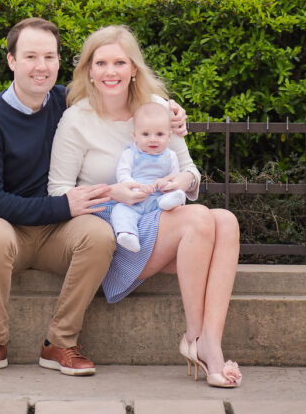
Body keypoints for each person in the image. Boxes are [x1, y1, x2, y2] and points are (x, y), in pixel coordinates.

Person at [0, 17, 188, 377]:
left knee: (99, 234)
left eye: (49, 57)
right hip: (4, 226)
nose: (41, 66)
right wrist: (62, 205)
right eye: (31, 56)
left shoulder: (64, 101)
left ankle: (59, 343)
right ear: (12, 61)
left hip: (55, 230)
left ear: (58, 62)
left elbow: (118, 93)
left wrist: (170, 110)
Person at [48, 25, 242, 388]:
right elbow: (58, 190)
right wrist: (114, 192)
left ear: (134, 68)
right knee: (199, 219)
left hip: (162, 217)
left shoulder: (158, 109)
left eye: (120, 62)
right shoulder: (77, 118)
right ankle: (195, 338)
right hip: (116, 229)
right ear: (88, 69)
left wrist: (184, 180)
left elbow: (189, 171)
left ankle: (209, 343)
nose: (110, 72)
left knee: (227, 221)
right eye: (101, 63)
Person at [111, 101, 186, 253]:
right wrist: (135, 187)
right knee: (120, 211)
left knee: (175, 196)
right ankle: (128, 234)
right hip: (135, 198)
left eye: (159, 134)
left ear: (169, 136)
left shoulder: (170, 155)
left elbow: (174, 177)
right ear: (135, 135)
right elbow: (122, 174)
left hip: (160, 197)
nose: (153, 139)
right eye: (146, 134)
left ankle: (171, 201)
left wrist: (166, 184)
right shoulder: (131, 153)